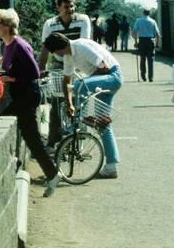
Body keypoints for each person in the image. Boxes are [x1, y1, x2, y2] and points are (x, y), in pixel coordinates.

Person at [0, 8, 60, 196]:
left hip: (28, 95)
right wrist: (3, 75)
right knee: (31, 138)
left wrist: (11, 79)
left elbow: (34, 73)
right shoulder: (5, 45)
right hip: (19, 94)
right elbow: (12, 70)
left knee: (6, 124)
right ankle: (51, 173)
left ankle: (46, 171)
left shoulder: (19, 45)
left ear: (7, 26)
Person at [43, 33, 123, 179]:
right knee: (102, 123)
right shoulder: (68, 56)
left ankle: (80, 120)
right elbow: (66, 81)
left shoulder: (81, 46)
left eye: (54, 52)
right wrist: (70, 105)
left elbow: (104, 67)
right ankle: (111, 167)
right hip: (103, 80)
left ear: (58, 50)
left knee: (80, 84)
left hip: (113, 76)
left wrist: (87, 84)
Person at [39, 0, 92, 146]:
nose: (70, 10)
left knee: (79, 97)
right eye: (66, 7)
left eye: (72, 6)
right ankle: (54, 139)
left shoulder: (83, 20)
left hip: (79, 60)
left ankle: (81, 131)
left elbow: (83, 44)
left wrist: (72, 67)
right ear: (58, 8)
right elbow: (45, 48)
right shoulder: (50, 24)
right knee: (56, 99)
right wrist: (41, 70)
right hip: (58, 61)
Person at [132, 8, 161, 80]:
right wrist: (157, 43)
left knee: (142, 58)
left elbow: (135, 32)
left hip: (142, 40)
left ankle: (143, 75)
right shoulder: (153, 21)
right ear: (150, 13)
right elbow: (157, 34)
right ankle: (150, 76)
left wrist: (136, 42)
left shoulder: (138, 21)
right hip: (150, 40)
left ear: (143, 13)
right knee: (150, 59)